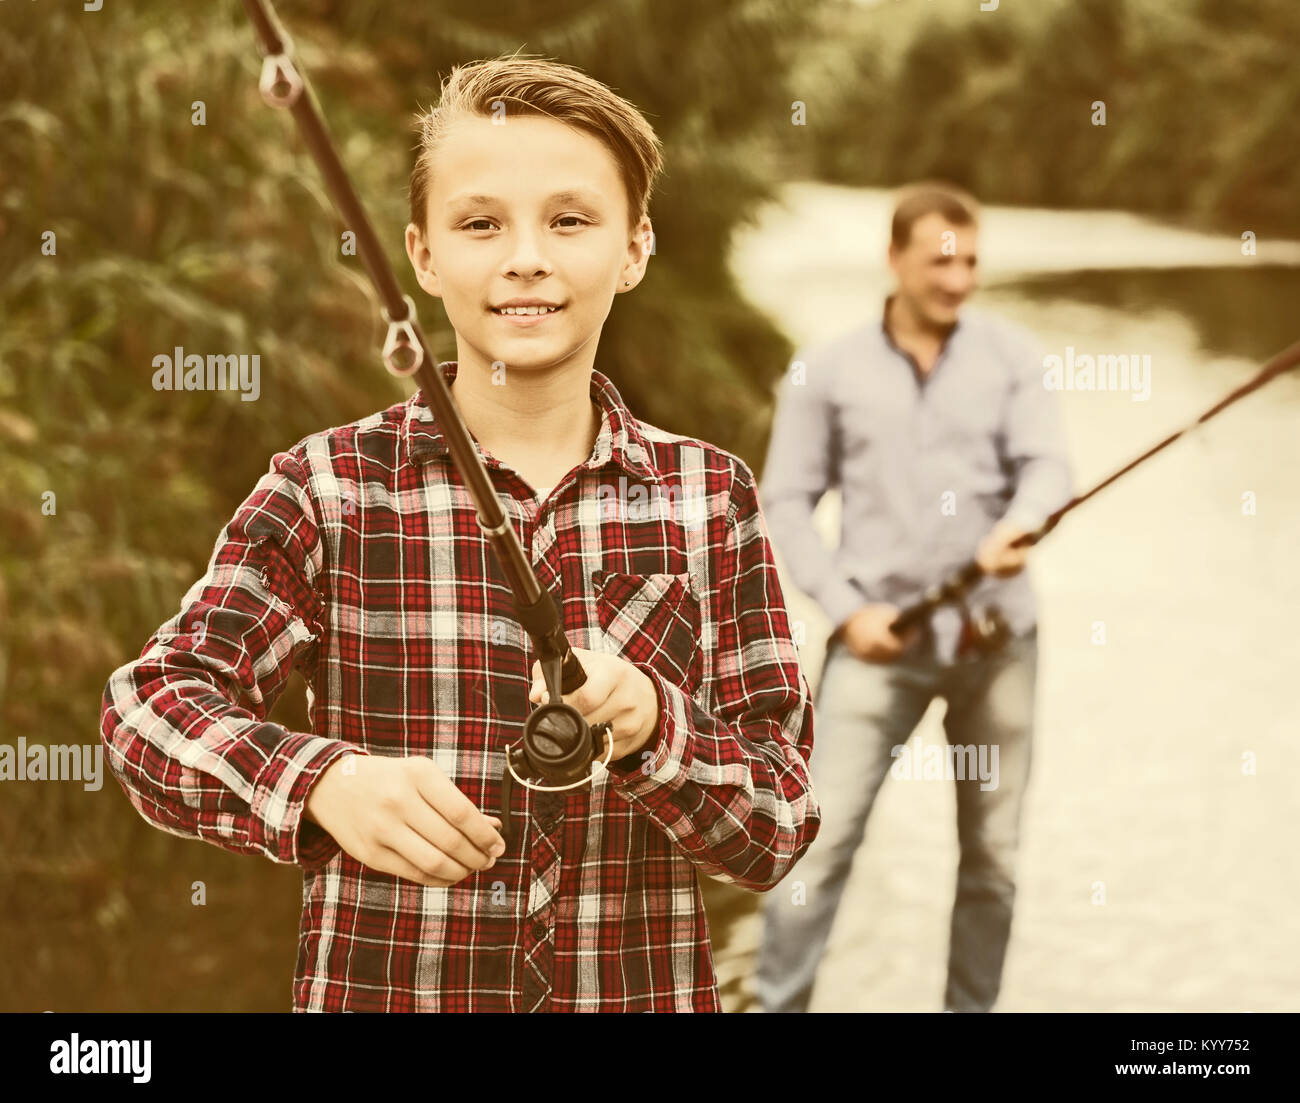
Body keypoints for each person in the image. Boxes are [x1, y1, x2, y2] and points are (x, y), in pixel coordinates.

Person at [100, 56, 819, 1013]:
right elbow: (148, 707)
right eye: (481, 223)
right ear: (424, 254)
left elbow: (780, 821)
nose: (526, 256)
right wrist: (321, 782)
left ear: (637, 248)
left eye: (570, 219)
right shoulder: (328, 487)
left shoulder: (710, 496)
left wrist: (655, 725)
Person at [755, 181, 1072, 1012]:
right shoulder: (827, 372)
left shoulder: (1012, 359)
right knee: (809, 849)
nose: (958, 279)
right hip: (876, 647)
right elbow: (784, 500)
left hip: (998, 641)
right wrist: (845, 607)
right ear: (894, 259)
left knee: (995, 859)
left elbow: (1047, 467)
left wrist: (1027, 520)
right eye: (940, 260)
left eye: (970, 261)